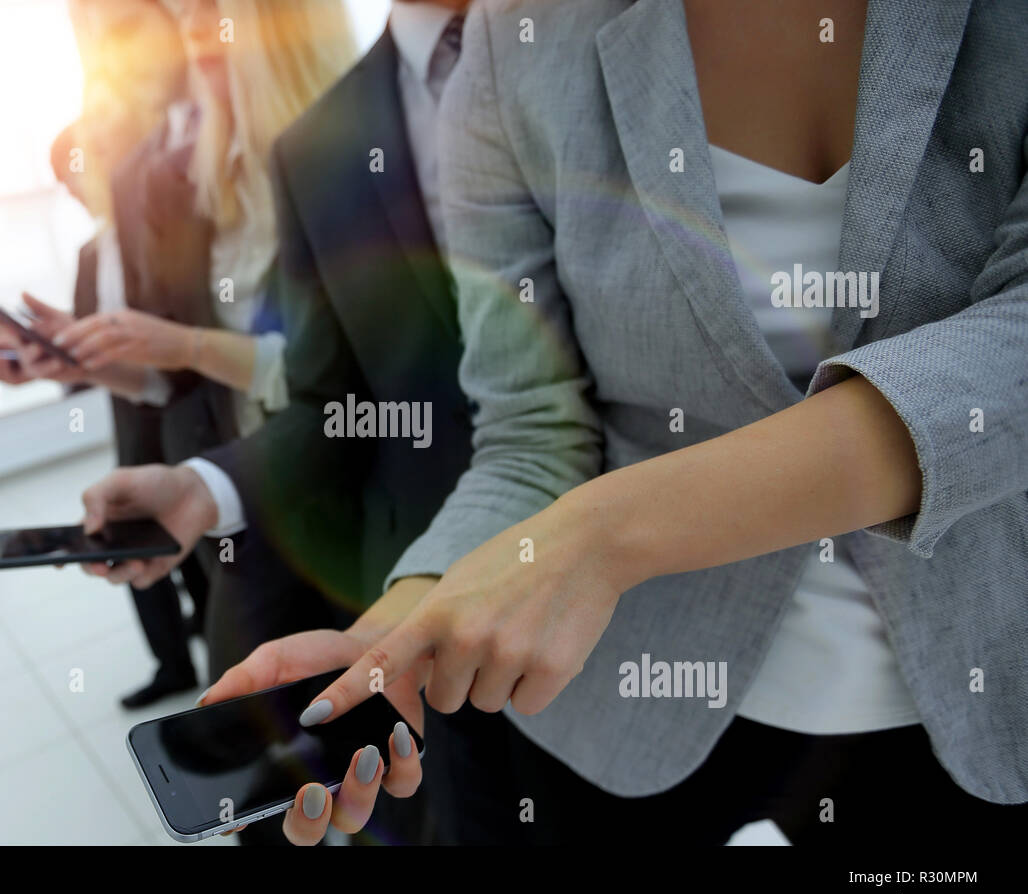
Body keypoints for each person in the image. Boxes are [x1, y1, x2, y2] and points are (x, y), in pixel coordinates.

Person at [207, 0, 1028, 845]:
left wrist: (607, 533)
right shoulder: (514, 40)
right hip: (631, 721)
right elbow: (532, 430)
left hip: (986, 693)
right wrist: (407, 617)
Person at [76, 0, 480, 845]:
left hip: (484, 557)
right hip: (366, 542)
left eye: (209, 15)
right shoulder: (298, 152)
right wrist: (200, 488)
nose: (191, 37)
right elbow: (327, 391)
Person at [0, 0, 205, 707]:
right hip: (137, 426)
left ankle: (198, 641)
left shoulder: (165, 219)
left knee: (195, 554)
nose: (76, 187)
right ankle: (175, 661)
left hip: (193, 420)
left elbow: (174, 343)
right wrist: (41, 360)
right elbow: (96, 352)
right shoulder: (91, 252)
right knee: (137, 551)